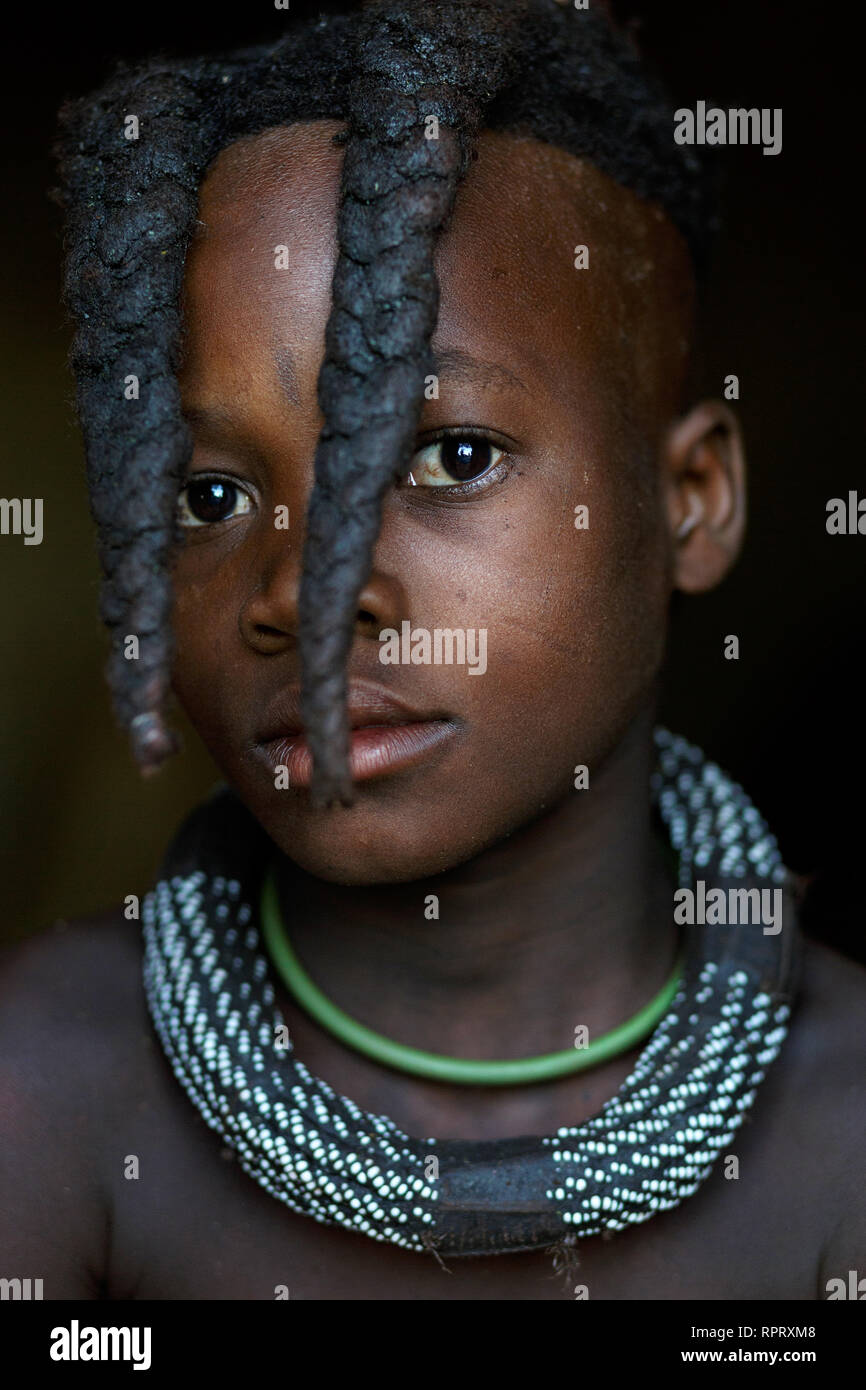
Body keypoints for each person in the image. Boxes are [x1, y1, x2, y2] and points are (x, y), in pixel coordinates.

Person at [1, 0, 863, 1300]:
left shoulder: (841, 1131)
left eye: (450, 455)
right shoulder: (48, 1085)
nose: (304, 584)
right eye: (208, 496)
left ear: (690, 500)